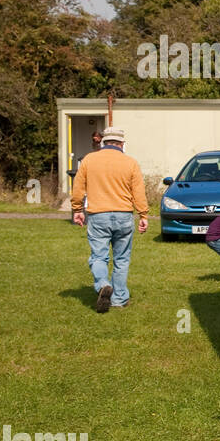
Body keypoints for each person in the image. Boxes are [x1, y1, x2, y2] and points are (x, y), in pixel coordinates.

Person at [70, 127, 149, 312]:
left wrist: (77, 209)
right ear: (122, 144)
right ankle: (119, 299)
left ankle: (103, 284)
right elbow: (138, 192)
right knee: (121, 259)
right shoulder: (130, 163)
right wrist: (143, 215)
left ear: (103, 142)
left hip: (98, 215)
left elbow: (78, 187)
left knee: (99, 256)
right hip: (124, 215)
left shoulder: (89, 160)